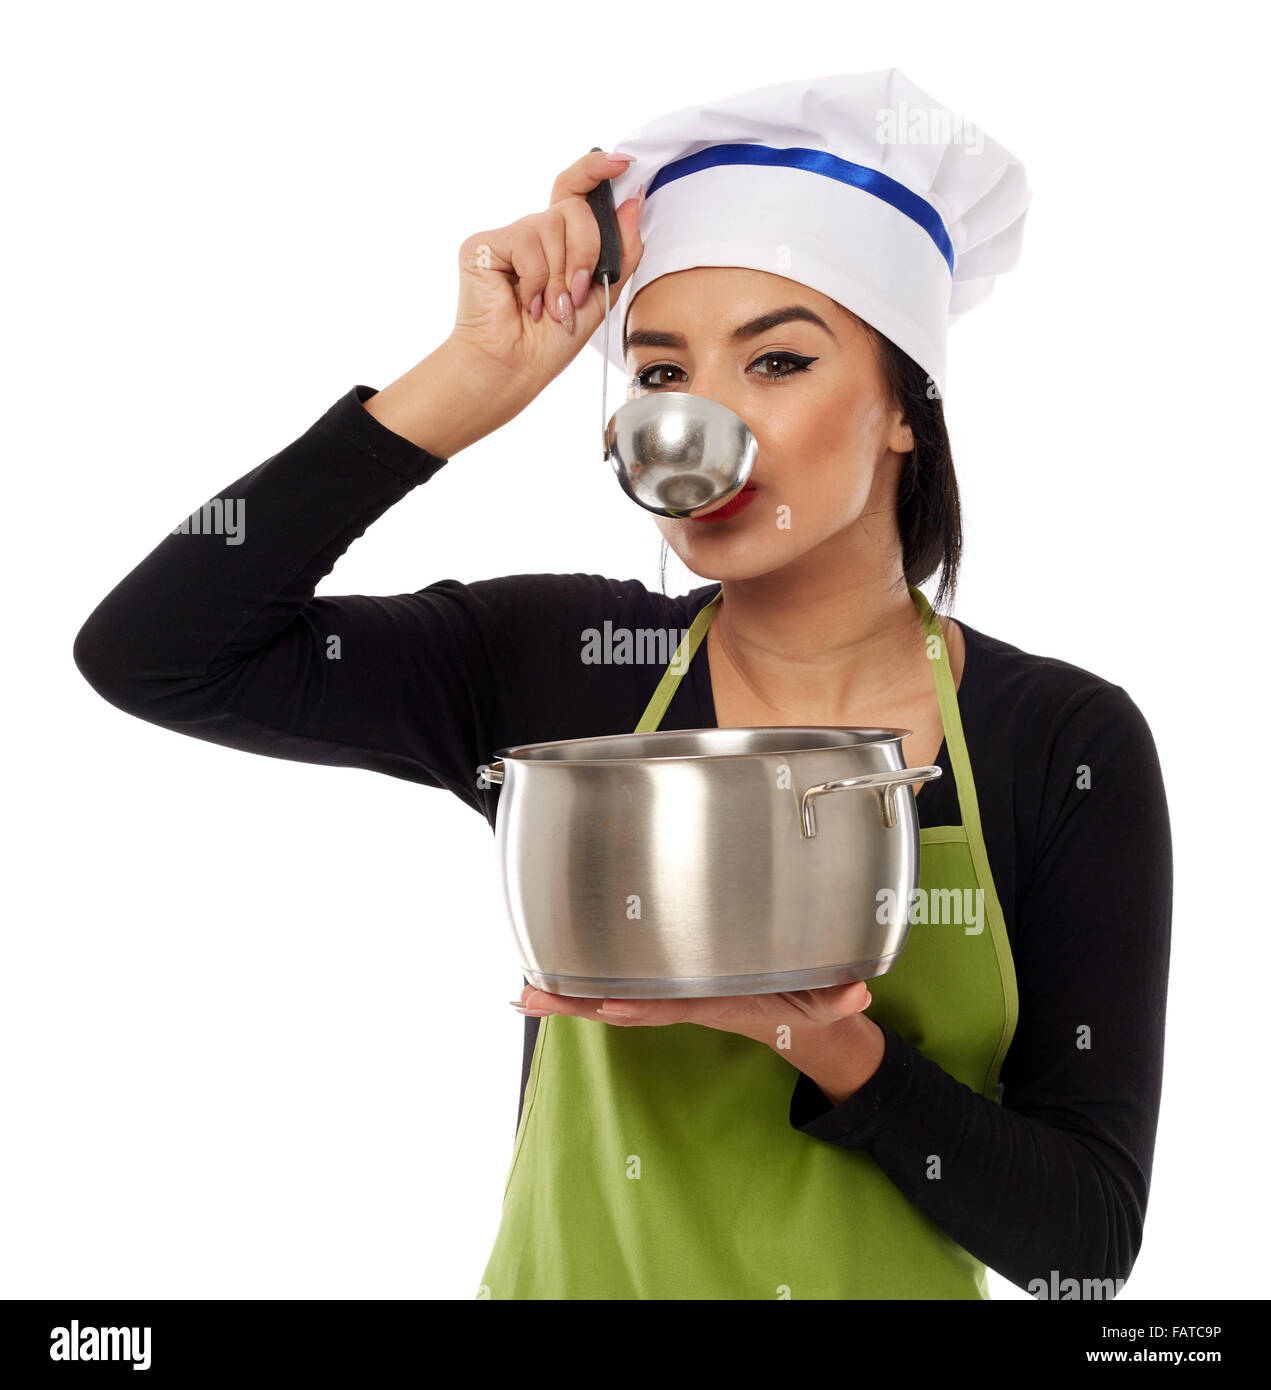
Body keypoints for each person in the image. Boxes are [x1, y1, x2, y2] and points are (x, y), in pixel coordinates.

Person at [73, 70, 1172, 1300]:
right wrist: (460, 384)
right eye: (658, 374)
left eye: (776, 363)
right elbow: (154, 647)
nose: (697, 421)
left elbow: (1086, 1242)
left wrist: (830, 1046)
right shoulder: (560, 667)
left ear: (903, 408)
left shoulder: (1060, 742)